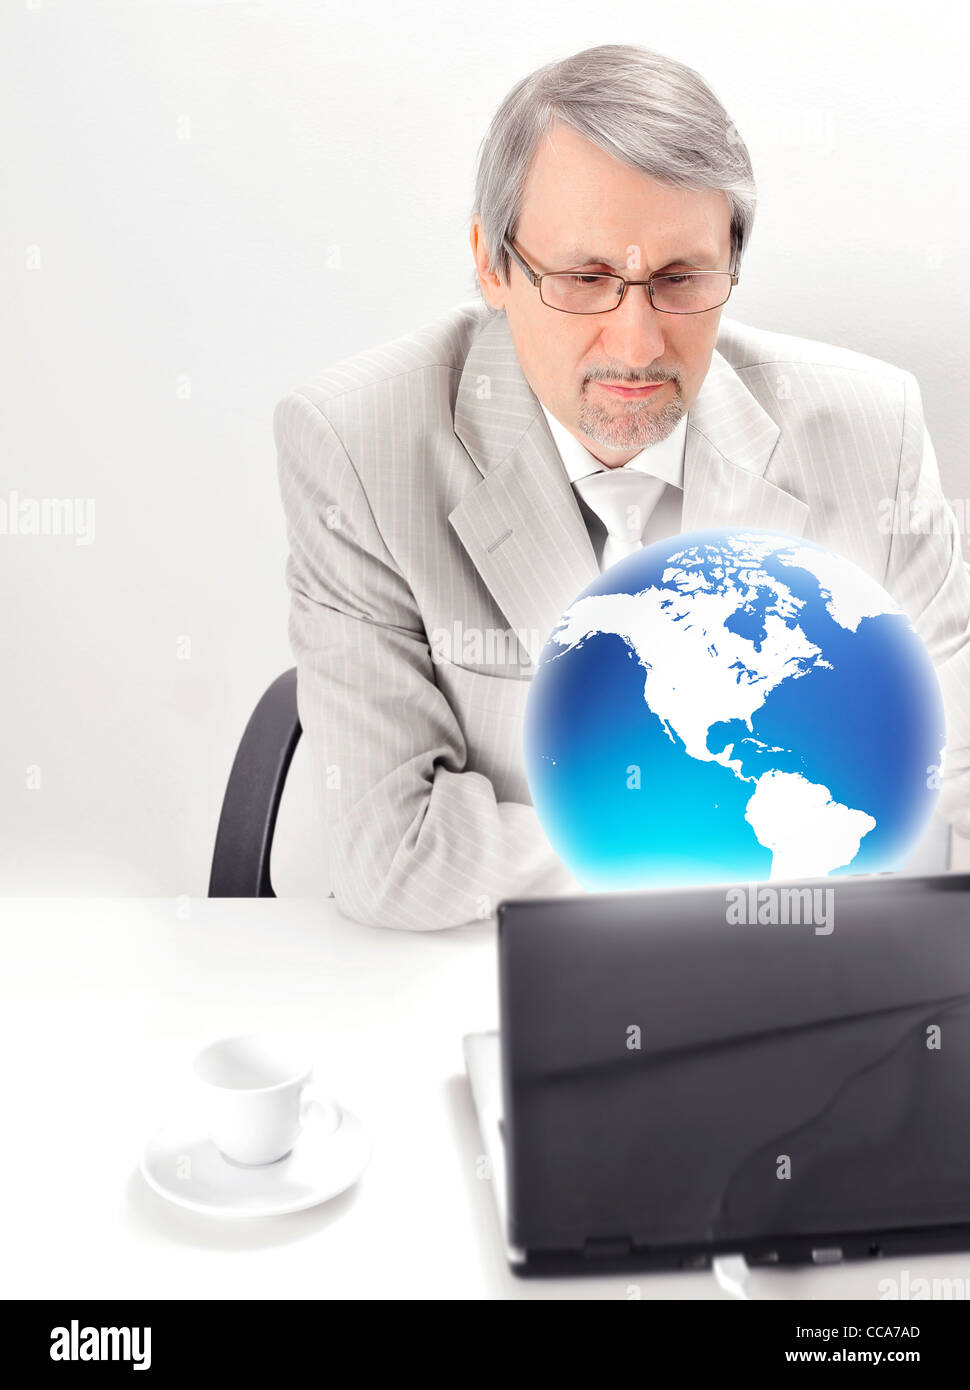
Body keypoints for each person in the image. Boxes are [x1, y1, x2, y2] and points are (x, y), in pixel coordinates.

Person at [274, 43, 970, 930]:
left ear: (733, 262)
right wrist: (745, 857)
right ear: (493, 264)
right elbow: (396, 852)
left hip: (802, 976)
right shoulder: (357, 446)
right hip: (490, 977)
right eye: (584, 278)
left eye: (680, 278)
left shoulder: (876, 431)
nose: (637, 346)